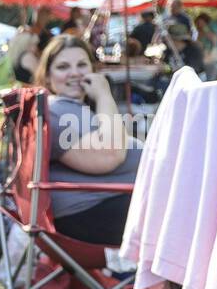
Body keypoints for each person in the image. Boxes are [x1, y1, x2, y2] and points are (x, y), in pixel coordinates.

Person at [33, 35, 143, 245]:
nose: (74, 73)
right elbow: (110, 154)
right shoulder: (53, 112)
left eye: (82, 65)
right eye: (63, 66)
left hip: (111, 204)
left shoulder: (72, 109)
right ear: (47, 77)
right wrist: (103, 95)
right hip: (89, 213)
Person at [7, 9, 50, 84]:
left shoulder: (17, 56)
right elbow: (41, 77)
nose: (36, 47)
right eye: (34, 44)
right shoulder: (28, 57)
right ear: (26, 44)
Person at [194, 14, 217, 79]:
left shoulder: (208, 29)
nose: (199, 24)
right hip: (203, 57)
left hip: (209, 57)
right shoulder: (199, 32)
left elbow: (214, 38)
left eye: (200, 22)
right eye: (198, 23)